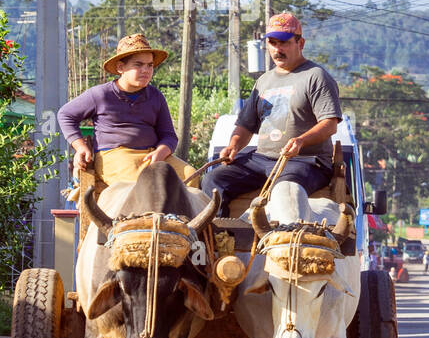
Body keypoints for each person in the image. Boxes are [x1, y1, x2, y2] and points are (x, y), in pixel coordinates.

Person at [204, 12, 342, 216]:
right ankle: (222, 239)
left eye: (284, 43)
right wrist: (233, 146)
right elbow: (246, 125)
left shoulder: (316, 76)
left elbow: (330, 124)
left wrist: (301, 141)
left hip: (306, 162)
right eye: (273, 43)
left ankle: (282, 242)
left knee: (284, 188)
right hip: (262, 159)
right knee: (212, 180)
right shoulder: (263, 82)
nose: (278, 49)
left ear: (300, 43)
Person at [57, 34, 199, 188]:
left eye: (150, 65)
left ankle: (178, 213)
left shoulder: (155, 96)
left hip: (152, 155)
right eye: (138, 64)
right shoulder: (100, 95)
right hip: (114, 155)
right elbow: (65, 115)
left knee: (191, 175)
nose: (146, 70)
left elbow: (169, 136)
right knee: (141, 185)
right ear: (120, 68)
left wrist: (161, 152)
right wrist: (80, 147)